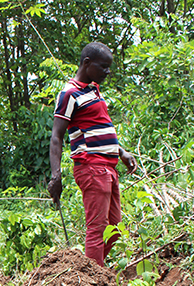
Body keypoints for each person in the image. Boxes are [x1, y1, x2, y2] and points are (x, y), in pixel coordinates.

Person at [48, 42, 138, 267]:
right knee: (98, 229)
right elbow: (57, 137)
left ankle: (88, 270)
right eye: (103, 67)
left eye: (109, 67)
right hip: (92, 167)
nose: (107, 72)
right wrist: (56, 175)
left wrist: (122, 152)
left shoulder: (92, 90)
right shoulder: (69, 94)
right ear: (87, 63)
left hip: (109, 167)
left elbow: (99, 127)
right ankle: (93, 280)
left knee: (115, 229)